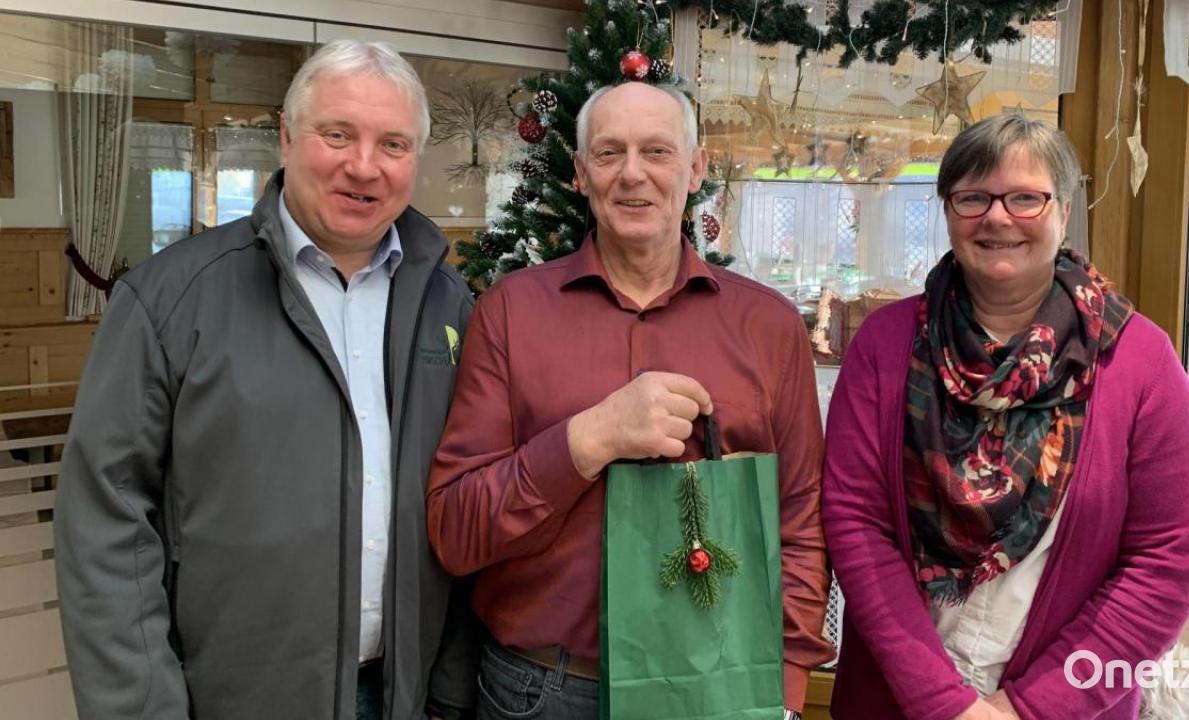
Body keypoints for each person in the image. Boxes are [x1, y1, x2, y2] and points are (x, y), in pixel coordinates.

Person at [54, 39, 478, 720]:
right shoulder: (171, 299)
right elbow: (105, 524)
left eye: (392, 144)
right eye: (337, 134)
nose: (363, 166)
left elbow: (461, 514)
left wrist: (448, 693)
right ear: (286, 136)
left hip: (399, 695)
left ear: (414, 161)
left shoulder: (449, 306)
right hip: (224, 699)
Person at [427, 81, 833, 719]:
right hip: (543, 689)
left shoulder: (769, 327)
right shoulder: (511, 312)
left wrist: (783, 685)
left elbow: (801, 517)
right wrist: (588, 442)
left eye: (658, 151)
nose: (633, 174)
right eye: (610, 153)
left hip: (721, 682)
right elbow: (455, 531)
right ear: (583, 174)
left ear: (695, 169)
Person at [821, 114, 1189, 719]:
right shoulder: (884, 343)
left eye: (1025, 197)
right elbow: (855, 525)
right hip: (898, 699)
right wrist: (942, 702)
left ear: (1063, 211)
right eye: (973, 197)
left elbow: (1167, 560)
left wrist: (1030, 709)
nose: (998, 217)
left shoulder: (1139, 359)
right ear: (948, 211)